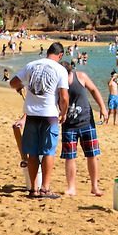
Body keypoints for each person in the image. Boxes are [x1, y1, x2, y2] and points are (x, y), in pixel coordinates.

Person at [10, 42, 70, 199]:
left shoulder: (31, 65)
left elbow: (13, 83)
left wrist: (21, 87)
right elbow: (64, 97)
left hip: (31, 114)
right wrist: (64, 113)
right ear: (60, 55)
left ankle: (33, 189)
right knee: (48, 151)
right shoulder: (60, 69)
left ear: (47, 52)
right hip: (49, 115)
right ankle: (45, 188)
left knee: (33, 153)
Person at [60, 60, 108, 198]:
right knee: (70, 157)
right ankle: (71, 188)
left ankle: (94, 186)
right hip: (68, 125)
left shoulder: (80, 77)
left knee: (92, 155)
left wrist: (103, 107)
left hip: (87, 122)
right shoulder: (58, 84)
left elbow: (94, 90)